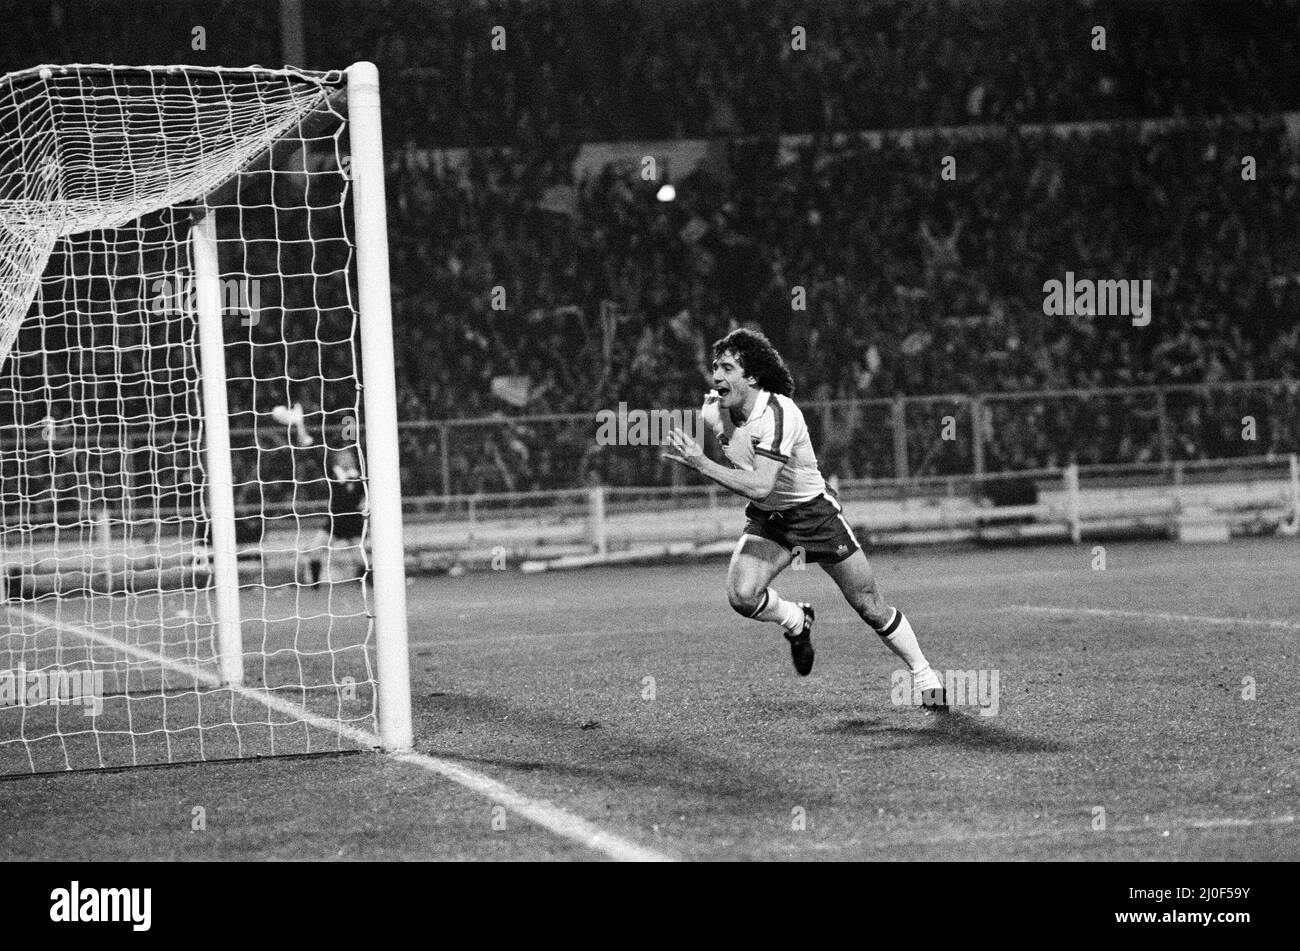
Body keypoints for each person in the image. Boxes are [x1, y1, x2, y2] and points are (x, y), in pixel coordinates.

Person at [662, 328, 947, 709]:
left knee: (870, 607)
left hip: (814, 515)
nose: (716, 376)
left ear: (752, 377)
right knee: (741, 596)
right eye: (715, 366)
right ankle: (796, 620)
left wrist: (701, 463)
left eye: (727, 367)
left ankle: (925, 675)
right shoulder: (713, 411)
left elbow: (762, 484)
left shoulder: (780, 414)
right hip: (770, 520)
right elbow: (756, 486)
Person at [304, 448, 369, 587]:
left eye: (348, 457)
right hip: (335, 523)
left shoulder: (361, 477)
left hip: (353, 523)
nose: (346, 460)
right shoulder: (334, 475)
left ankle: (368, 583)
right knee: (315, 549)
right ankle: (315, 586)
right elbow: (319, 458)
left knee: (360, 557)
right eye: (342, 458)